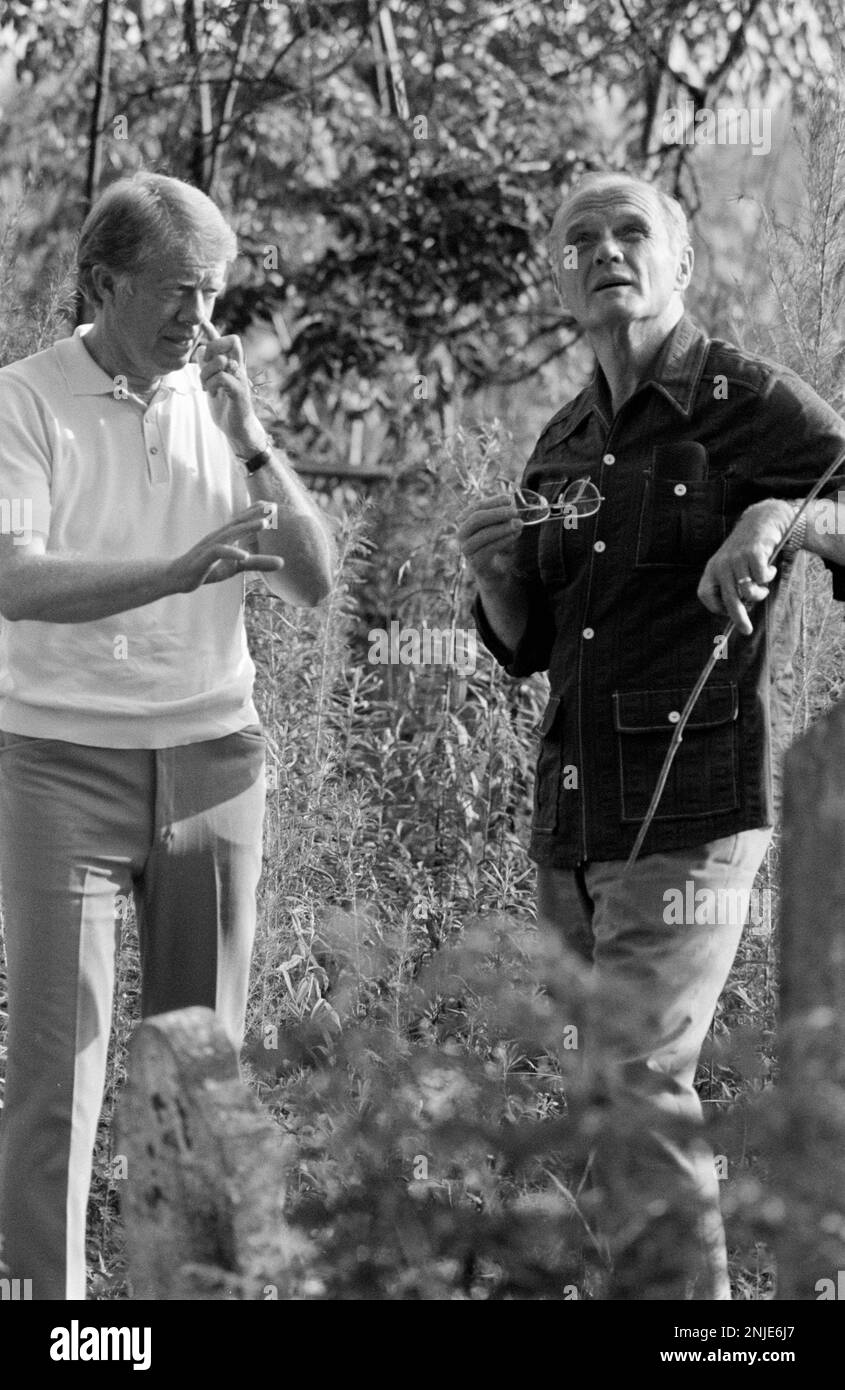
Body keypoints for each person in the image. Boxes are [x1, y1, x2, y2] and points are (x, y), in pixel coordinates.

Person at [458, 170, 845, 1299]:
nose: (605, 250)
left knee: (635, 1080)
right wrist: (492, 579)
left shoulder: (746, 399)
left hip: (694, 803)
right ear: (558, 275)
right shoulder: (562, 441)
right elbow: (524, 643)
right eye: (580, 237)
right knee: (604, 1099)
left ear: (680, 264)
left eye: (632, 232)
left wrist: (777, 513)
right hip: (573, 817)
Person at [0, 172, 335, 1300]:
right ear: (102, 283)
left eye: (214, 293)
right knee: (60, 1070)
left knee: (199, 1066)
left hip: (214, 766)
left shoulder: (222, 404)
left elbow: (316, 580)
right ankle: (60, 1319)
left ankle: (187, 1304)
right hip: (58, 767)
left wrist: (253, 443)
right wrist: (176, 571)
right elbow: (14, 580)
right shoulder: (25, 400)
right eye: (179, 293)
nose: (200, 318)